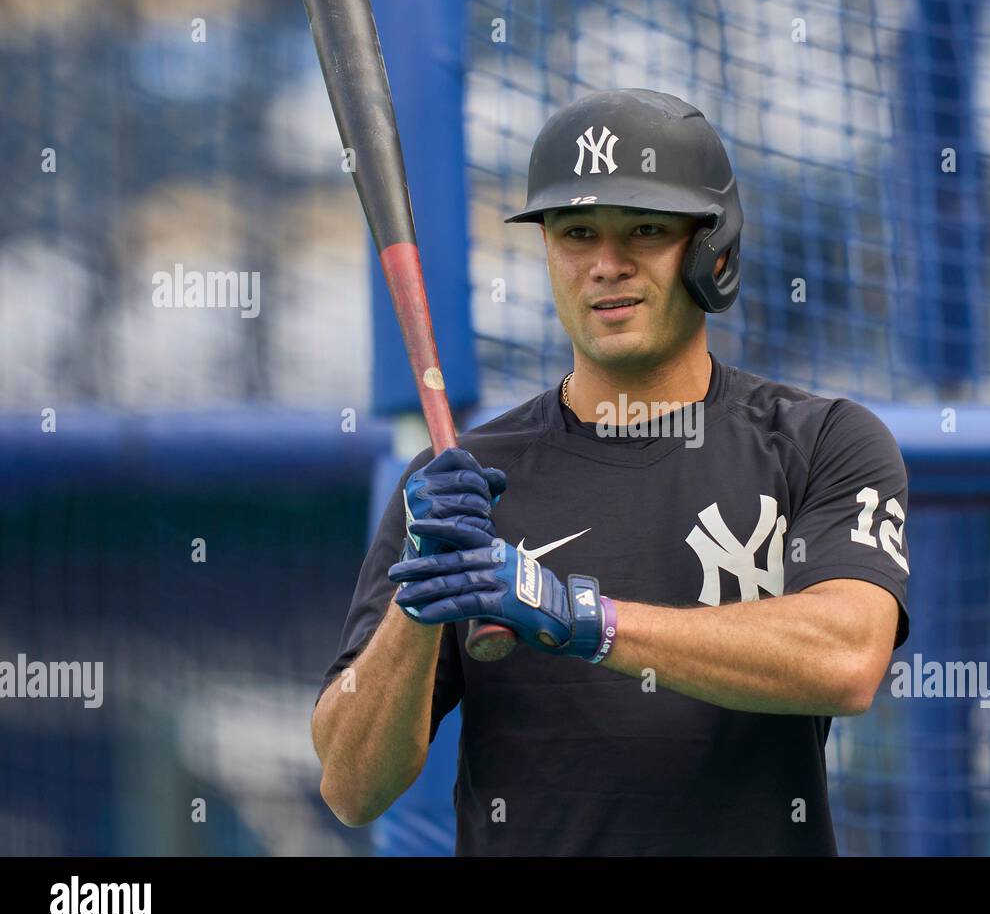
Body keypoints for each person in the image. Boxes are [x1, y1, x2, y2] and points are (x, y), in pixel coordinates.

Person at [312, 88, 911, 855]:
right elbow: (350, 787)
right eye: (577, 232)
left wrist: (584, 619)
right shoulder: (458, 486)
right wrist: (419, 604)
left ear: (712, 248)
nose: (606, 264)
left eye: (646, 230)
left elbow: (847, 657)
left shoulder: (821, 441)